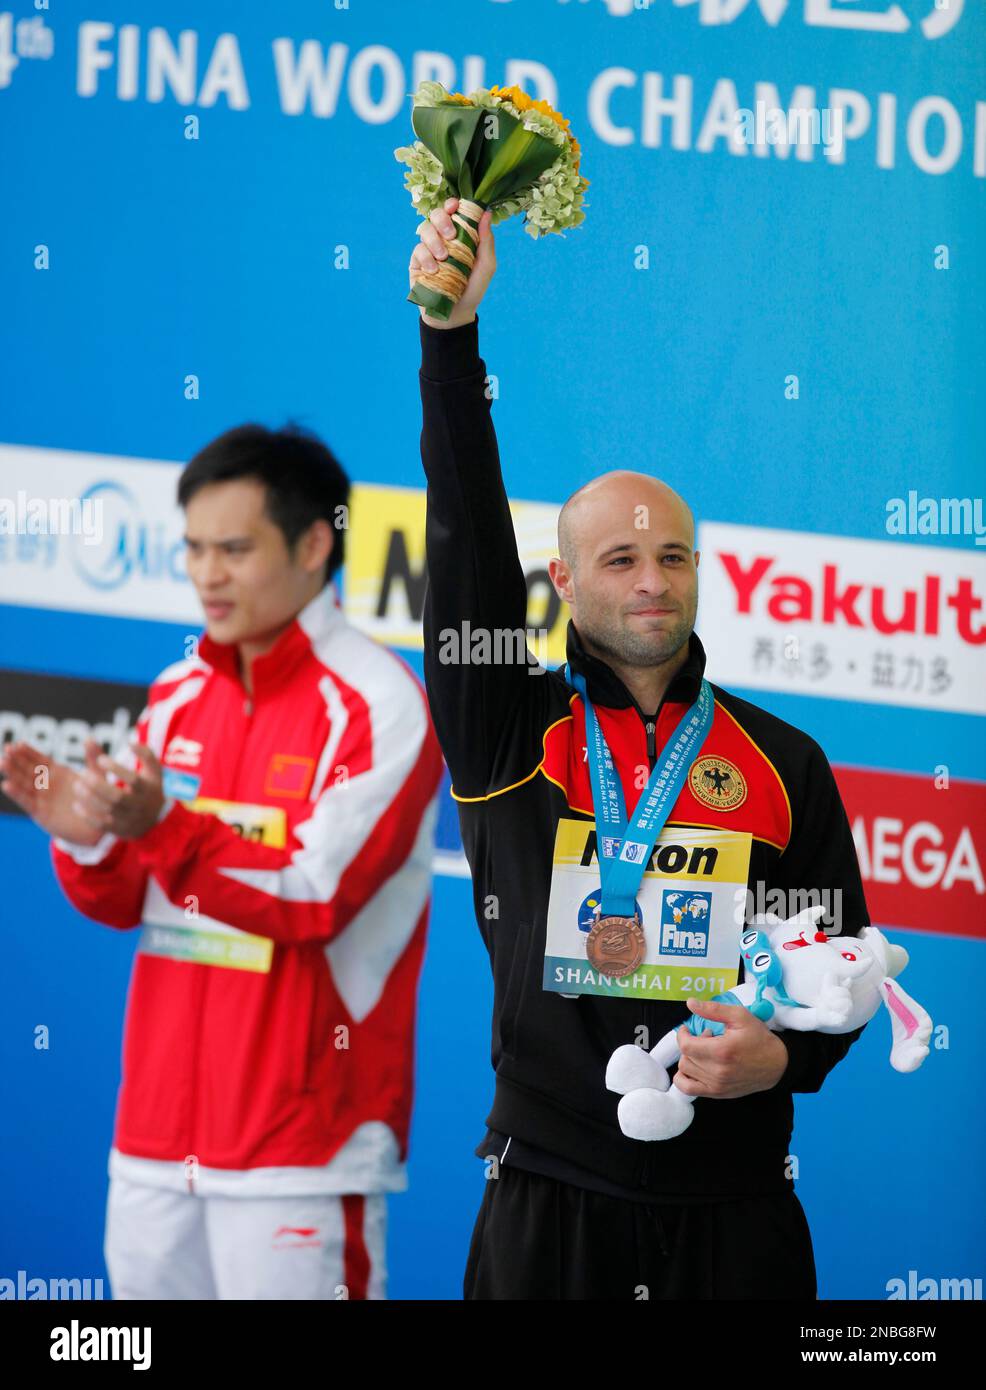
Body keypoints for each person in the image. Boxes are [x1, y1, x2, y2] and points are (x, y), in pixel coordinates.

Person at [410, 199, 870, 1300]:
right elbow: (466, 538)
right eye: (617, 558)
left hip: (736, 1208)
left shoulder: (782, 759)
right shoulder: (509, 728)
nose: (652, 580)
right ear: (561, 582)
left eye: (672, 555)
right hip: (547, 1200)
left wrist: (783, 1060)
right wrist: (449, 340)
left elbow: (835, 967)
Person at [0, 423, 444, 1300]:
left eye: (234, 549)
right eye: (195, 549)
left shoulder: (379, 703)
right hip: (155, 1149)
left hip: (302, 1152)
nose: (207, 574)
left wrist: (164, 824)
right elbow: (132, 898)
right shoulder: (176, 693)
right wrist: (85, 835)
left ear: (316, 544)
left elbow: (315, 897)